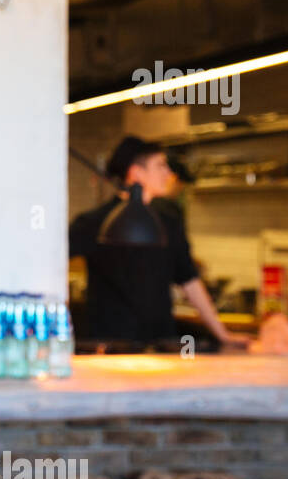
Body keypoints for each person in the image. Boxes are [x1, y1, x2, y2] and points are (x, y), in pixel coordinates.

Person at [68, 135, 251, 350]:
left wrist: (223, 335)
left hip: (161, 345)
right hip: (111, 346)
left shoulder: (169, 220)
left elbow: (189, 279)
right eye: (160, 166)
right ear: (136, 173)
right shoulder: (92, 222)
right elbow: (53, 267)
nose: (169, 173)